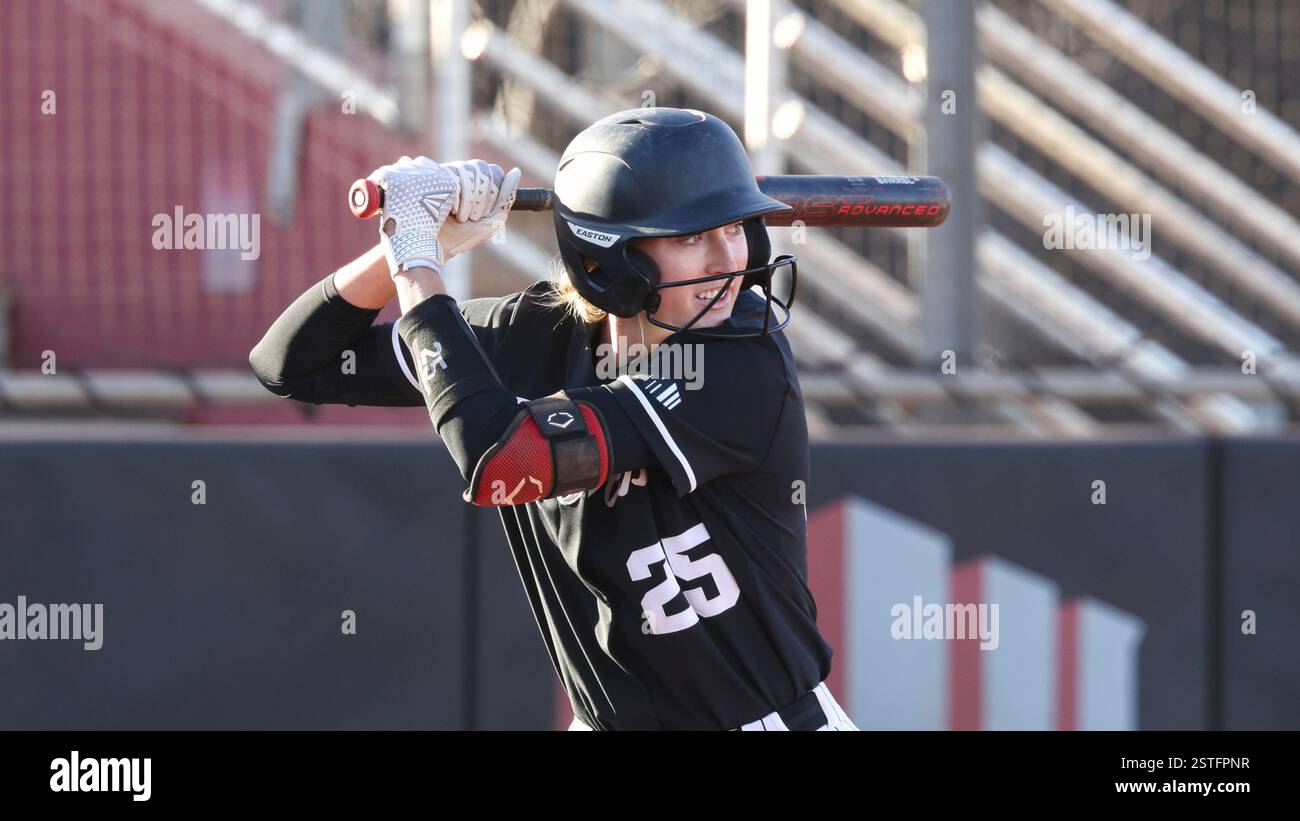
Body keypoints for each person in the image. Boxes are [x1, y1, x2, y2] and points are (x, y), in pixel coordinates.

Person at [249, 107, 858, 731]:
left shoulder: (742, 360)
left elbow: (504, 461)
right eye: (690, 238)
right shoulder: (537, 333)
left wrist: (417, 259)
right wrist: (406, 244)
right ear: (612, 263)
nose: (725, 261)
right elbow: (292, 362)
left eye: (734, 228)